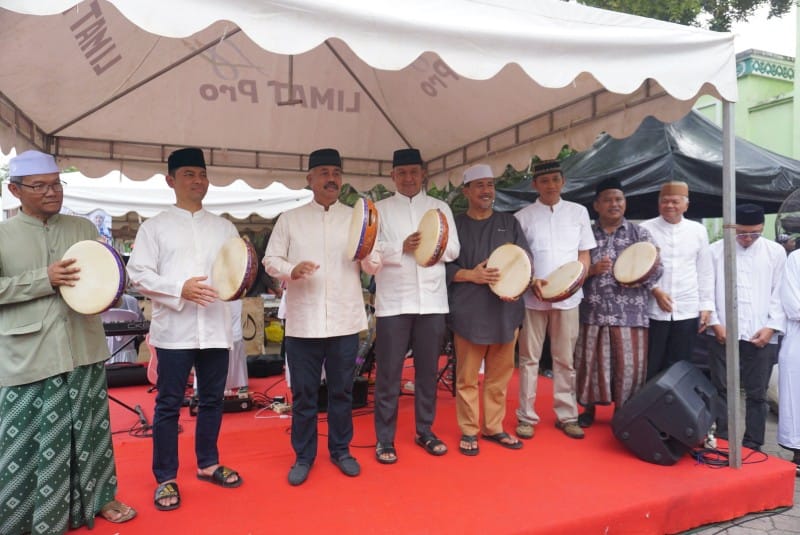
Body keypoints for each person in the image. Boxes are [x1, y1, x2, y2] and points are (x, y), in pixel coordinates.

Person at [0, 150, 136, 534]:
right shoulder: (3, 235)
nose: (51, 192)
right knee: (25, 435)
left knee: (92, 430)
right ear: (15, 190)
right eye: (39, 186)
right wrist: (44, 278)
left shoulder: (82, 230)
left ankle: (100, 498)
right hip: (29, 353)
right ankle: (26, 513)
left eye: (56, 184)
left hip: (83, 346)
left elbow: (105, 277)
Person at [126, 148, 243, 512]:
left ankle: (208, 463)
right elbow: (138, 274)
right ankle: (166, 477)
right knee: (168, 404)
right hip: (174, 329)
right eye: (189, 174)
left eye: (202, 175)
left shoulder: (225, 227)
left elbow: (236, 273)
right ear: (170, 181)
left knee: (212, 400)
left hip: (215, 327)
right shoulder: (154, 227)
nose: (198, 181)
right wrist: (180, 289)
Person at [264, 148, 379, 486]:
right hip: (304, 321)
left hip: (344, 319)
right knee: (304, 394)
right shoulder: (291, 219)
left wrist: (372, 253)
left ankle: (341, 450)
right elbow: (271, 259)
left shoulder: (356, 218)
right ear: (309, 179)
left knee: (343, 391)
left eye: (336, 173)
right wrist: (291, 269)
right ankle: (303, 456)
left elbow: (372, 265)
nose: (332, 178)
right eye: (324, 172)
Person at [372, 148, 460, 463]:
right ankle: (385, 439)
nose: (408, 178)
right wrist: (401, 247)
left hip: (432, 302)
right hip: (394, 303)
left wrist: (428, 246)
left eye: (413, 172)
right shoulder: (378, 210)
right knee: (389, 374)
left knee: (427, 372)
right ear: (392, 176)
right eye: (402, 173)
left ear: (423, 174)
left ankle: (425, 430)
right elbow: (369, 254)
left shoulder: (440, 208)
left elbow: (453, 249)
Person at [446, 164, 527, 455]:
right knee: (467, 376)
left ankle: (494, 427)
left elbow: (523, 261)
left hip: (506, 310)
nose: (486, 191)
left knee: (500, 375)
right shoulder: (454, 225)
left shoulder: (509, 223)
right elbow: (441, 267)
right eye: (479, 185)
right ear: (466, 191)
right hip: (469, 311)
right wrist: (472, 275)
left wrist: (514, 287)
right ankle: (469, 429)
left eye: (490, 184)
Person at [514, 159, 596, 440]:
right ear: (535, 184)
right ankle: (526, 416)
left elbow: (585, 255)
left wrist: (576, 280)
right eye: (544, 181)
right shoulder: (522, 216)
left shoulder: (579, 213)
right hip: (532, 297)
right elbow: (519, 259)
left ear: (563, 182)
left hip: (569, 299)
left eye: (555, 180)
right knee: (528, 359)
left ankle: (567, 415)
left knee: (564, 359)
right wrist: (530, 280)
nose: (550, 185)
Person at [574, 178, 662, 428]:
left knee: (628, 367)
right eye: (608, 200)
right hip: (593, 311)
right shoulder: (586, 234)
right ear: (597, 205)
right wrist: (591, 270)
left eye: (619, 199)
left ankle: (624, 413)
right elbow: (570, 271)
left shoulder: (639, 233)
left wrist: (637, 279)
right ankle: (587, 410)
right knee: (590, 363)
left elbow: (656, 267)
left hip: (630, 314)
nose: (614, 204)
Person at [703, 203, 785, 452]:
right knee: (722, 387)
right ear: (732, 228)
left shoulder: (775, 252)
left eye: (754, 234)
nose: (747, 239)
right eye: (741, 233)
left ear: (762, 229)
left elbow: (779, 293)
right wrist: (715, 323)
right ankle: (725, 438)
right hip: (722, 331)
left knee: (757, 392)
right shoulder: (716, 251)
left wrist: (771, 327)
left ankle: (753, 442)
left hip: (761, 331)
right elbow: (706, 288)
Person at [640, 181, 714, 380]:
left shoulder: (697, 230)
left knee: (681, 363)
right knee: (652, 362)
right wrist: (655, 289)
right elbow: (638, 268)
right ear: (659, 204)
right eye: (665, 201)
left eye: (675, 201)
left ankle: (676, 408)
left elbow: (704, 270)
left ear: (686, 205)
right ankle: (649, 406)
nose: (670, 206)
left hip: (687, 306)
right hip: (654, 308)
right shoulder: (645, 229)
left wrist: (706, 306)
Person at [779, 248, 800, 475]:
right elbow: (793, 304)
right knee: (797, 396)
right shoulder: (796, 259)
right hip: (798, 336)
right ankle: (799, 452)